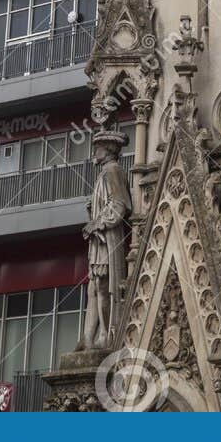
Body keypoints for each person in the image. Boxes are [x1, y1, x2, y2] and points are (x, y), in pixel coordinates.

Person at [81, 130, 132, 349]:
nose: (95, 152)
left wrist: (97, 222)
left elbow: (120, 205)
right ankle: (87, 338)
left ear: (108, 150)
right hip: (99, 240)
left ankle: (106, 334)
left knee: (102, 285)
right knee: (93, 287)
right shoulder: (104, 174)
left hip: (108, 239)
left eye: (98, 147)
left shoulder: (113, 171)